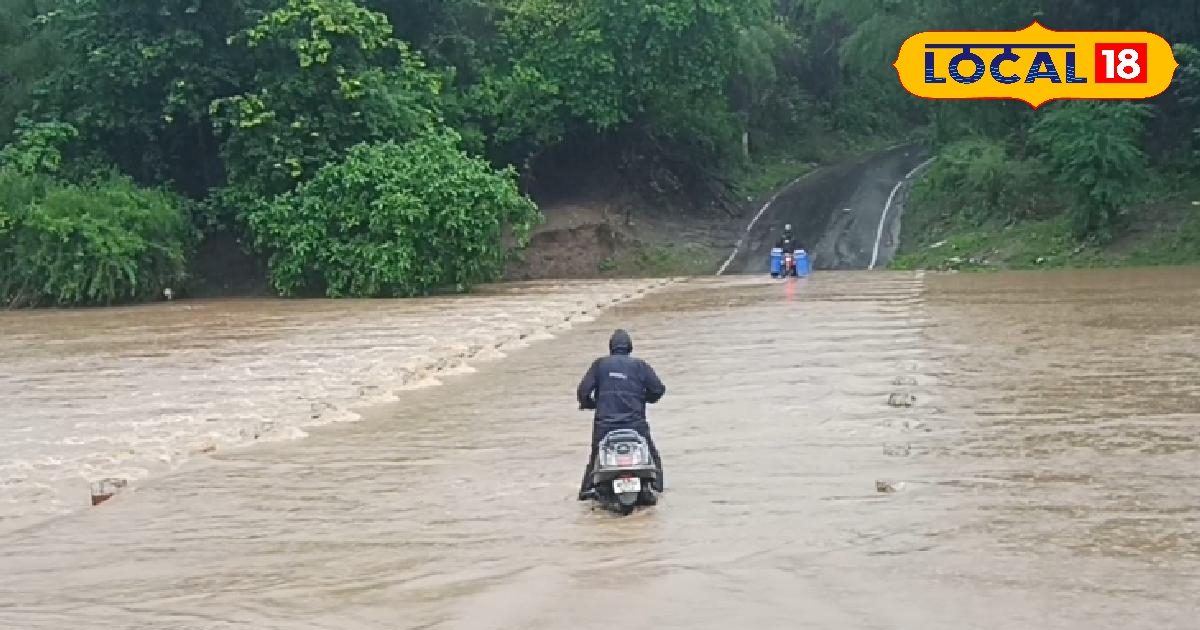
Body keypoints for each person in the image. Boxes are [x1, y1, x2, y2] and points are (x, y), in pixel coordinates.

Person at [576, 329, 666, 500]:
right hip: (635, 423)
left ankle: (586, 492)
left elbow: (583, 391)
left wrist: (590, 404)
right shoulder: (640, 366)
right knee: (651, 456)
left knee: (595, 457)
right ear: (630, 347)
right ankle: (657, 488)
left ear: (611, 347)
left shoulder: (600, 365)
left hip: (605, 424)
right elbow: (658, 390)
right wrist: (643, 399)